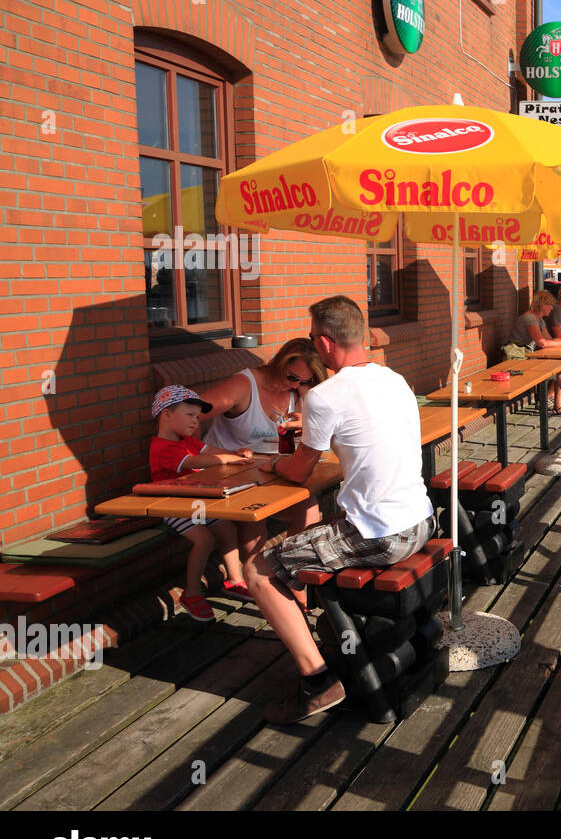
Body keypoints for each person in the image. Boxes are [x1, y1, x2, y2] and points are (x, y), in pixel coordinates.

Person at [245, 296, 434, 723]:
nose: (314, 347)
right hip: (421, 519)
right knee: (317, 533)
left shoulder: (325, 396)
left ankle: (319, 681)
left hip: (382, 534)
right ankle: (330, 628)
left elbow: (297, 472)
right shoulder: (395, 379)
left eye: (313, 339)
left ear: (326, 343)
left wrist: (271, 463)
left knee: (257, 568)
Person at [200, 339, 329, 597]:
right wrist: (213, 456)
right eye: (292, 376)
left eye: (304, 381)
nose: (294, 385)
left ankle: (291, 587)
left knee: (309, 510)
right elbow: (189, 411)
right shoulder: (245, 385)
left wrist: (306, 400)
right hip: (232, 473)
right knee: (256, 516)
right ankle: (266, 589)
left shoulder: (298, 393)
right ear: (279, 362)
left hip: (272, 469)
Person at [149, 385, 255, 621]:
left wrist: (236, 454)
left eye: (197, 417)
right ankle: (192, 593)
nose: (195, 421)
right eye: (189, 415)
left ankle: (235, 581)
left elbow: (212, 451)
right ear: (166, 415)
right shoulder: (162, 447)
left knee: (228, 529)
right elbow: (196, 461)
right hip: (172, 504)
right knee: (204, 539)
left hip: (196, 503)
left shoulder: (188, 441)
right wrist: (226, 459)